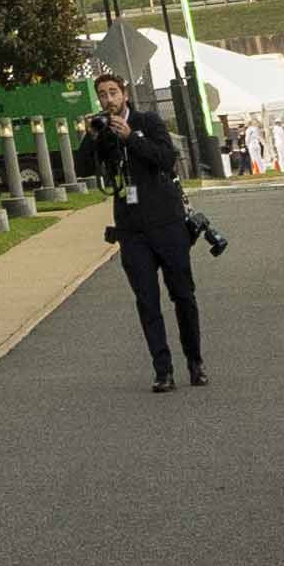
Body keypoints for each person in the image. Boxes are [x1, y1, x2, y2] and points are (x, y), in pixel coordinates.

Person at [98, 84, 212, 391]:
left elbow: (165, 158)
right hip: (132, 230)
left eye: (113, 93)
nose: (108, 100)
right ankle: (163, 370)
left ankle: (195, 361)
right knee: (147, 301)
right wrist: (93, 135)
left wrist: (131, 137)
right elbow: (84, 166)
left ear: (125, 96)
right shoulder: (103, 130)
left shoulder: (148, 122)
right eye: (102, 95)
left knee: (183, 296)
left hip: (167, 223)